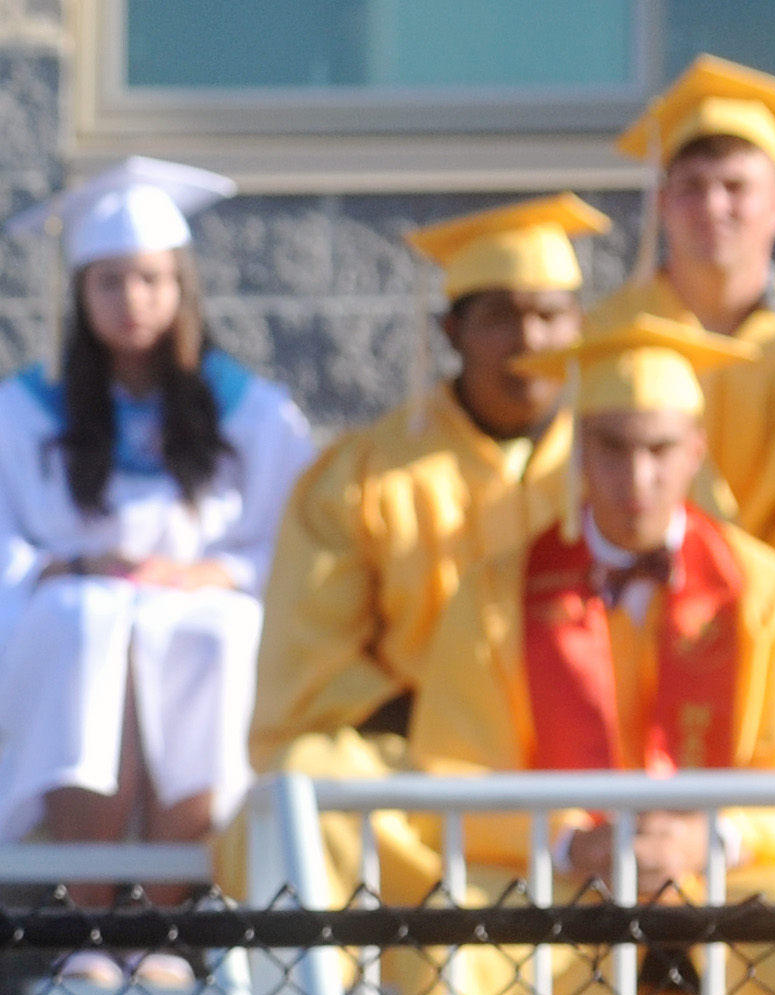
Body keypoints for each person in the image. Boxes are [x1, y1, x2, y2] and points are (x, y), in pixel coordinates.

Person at [403, 315, 775, 995]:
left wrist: (703, 841)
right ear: (579, 448)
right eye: (611, 446)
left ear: (696, 450)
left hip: (727, 870)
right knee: (456, 940)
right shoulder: (497, 594)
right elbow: (453, 772)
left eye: (659, 448)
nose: (635, 475)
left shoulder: (774, 596)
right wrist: (578, 842)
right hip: (558, 871)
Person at [0, 158, 314, 989]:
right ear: (79, 294)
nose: (132, 301)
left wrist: (212, 573)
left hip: (198, 605)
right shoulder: (19, 412)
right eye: (109, 282)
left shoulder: (252, 411)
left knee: (218, 631)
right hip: (79, 612)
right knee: (85, 624)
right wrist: (73, 564)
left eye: (150, 279)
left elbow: (296, 545)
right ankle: (90, 918)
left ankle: (159, 922)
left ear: (182, 288)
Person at [247, 196, 602, 905]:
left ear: (578, 326)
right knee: (307, 779)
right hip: (421, 753)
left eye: (548, 315)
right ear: (452, 332)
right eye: (499, 316)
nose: (528, 338)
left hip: (591, 751)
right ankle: (421, 954)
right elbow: (311, 660)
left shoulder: (625, 463)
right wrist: (456, 728)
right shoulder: (364, 475)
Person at [590, 56, 775, 770]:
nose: (714, 206)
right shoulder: (604, 337)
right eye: (691, 187)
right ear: (663, 202)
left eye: (736, 187)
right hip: (636, 587)